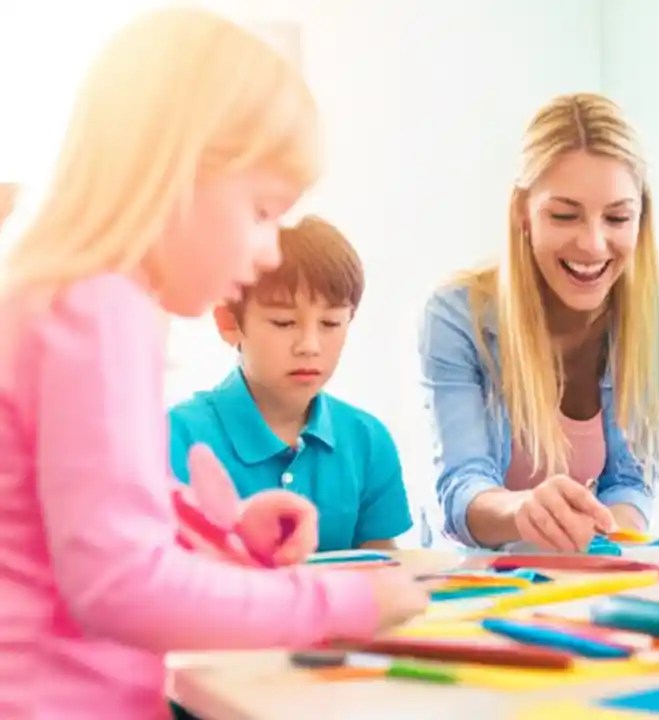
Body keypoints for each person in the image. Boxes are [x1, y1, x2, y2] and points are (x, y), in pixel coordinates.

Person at [0, 10, 425, 718]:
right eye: (263, 212)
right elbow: (120, 584)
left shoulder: (56, 295)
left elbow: (75, 523)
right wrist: (342, 600)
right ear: (174, 172)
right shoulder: (99, 308)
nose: (267, 251)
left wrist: (220, 538)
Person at [420, 93, 659, 552]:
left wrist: (608, 541)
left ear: (641, 218)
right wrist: (523, 512)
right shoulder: (456, 315)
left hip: (591, 577)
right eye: (564, 215)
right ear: (522, 212)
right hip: (484, 583)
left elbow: (631, 481)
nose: (592, 243)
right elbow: (461, 489)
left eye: (618, 217)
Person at [169, 216, 413, 552]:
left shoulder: (367, 439)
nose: (309, 345)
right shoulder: (178, 435)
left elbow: (382, 566)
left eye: (331, 322)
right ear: (229, 323)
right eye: (284, 323)